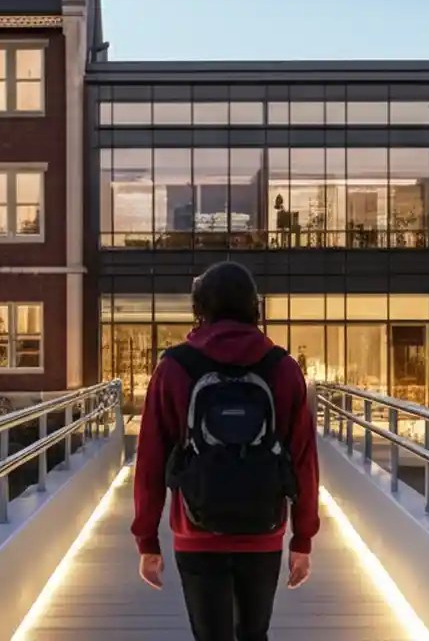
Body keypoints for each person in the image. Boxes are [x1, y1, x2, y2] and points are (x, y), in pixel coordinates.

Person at [131, 261, 320, 641]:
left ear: (200, 308)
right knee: (254, 634)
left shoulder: (173, 368)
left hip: (195, 529)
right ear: (255, 306)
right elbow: (303, 461)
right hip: (264, 528)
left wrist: (147, 539)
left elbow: (150, 459)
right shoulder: (283, 368)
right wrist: (303, 538)